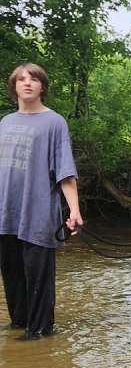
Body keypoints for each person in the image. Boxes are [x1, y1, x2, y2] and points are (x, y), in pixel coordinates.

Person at [0, 63, 83, 339]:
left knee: (38, 279)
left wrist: (74, 211)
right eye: (21, 79)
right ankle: (19, 324)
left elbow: (65, 172)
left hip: (37, 213)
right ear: (14, 87)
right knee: (12, 276)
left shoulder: (54, 122)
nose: (27, 83)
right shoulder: (6, 122)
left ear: (42, 86)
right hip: (5, 215)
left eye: (33, 79)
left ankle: (39, 332)